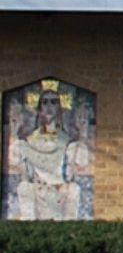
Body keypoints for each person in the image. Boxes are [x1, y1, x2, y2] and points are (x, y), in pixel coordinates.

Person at [8, 80, 92, 220]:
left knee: (74, 189)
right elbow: (14, 160)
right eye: (45, 102)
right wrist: (14, 132)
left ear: (59, 108)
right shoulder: (29, 141)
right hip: (38, 192)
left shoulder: (68, 142)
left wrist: (83, 133)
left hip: (60, 194)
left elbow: (82, 162)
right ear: (40, 109)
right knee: (24, 187)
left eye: (53, 102)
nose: (49, 107)